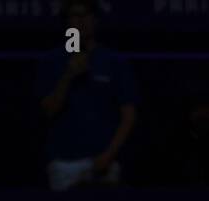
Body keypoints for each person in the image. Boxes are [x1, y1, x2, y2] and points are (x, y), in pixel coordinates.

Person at [34, 0, 138, 191]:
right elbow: (48, 112)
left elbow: (128, 115)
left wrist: (109, 155)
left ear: (96, 20)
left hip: (104, 162)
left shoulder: (114, 61)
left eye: (86, 15)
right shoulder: (52, 61)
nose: (81, 21)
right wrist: (68, 76)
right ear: (66, 21)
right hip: (64, 164)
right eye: (75, 15)